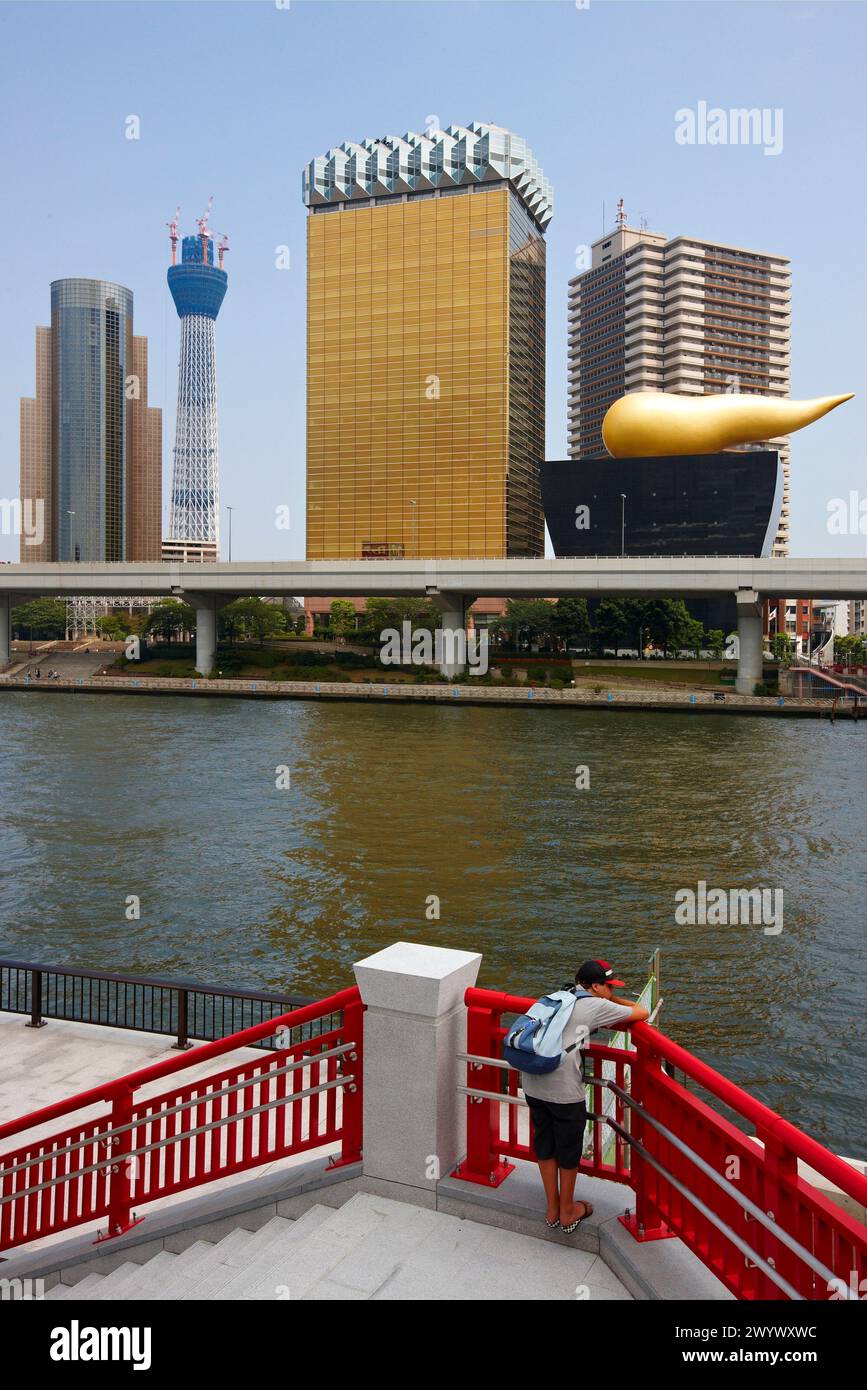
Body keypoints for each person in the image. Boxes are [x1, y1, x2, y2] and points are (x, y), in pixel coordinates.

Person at [521, 959, 649, 1233]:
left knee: (545, 1142)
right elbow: (643, 1011)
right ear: (594, 986)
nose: (611, 990)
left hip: (532, 1081)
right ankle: (568, 1211)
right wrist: (614, 1000)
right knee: (568, 1150)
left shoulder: (557, 996)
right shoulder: (596, 1004)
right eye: (608, 986)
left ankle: (552, 1208)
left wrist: (607, 995)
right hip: (563, 1090)